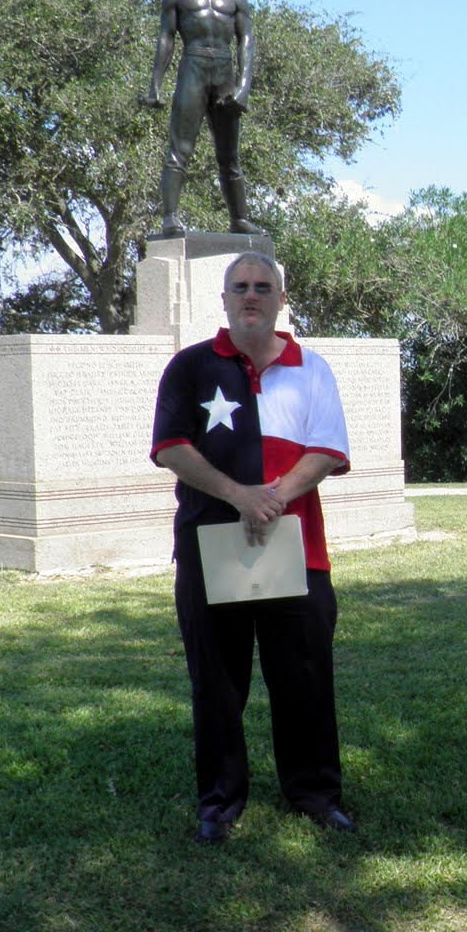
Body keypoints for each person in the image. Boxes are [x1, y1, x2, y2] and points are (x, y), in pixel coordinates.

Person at [151, 251, 352, 842]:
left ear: (281, 299)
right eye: (240, 286)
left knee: (306, 677)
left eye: (264, 286)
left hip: (298, 549)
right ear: (223, 299)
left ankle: (315, 793)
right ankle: (219, 802)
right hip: (211, 548)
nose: (251, 295)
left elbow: (327, 450)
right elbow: (170, 447)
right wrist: (240, 495)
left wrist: (271, 498)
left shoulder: (310, 368)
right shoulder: (190, 367)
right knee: (216, 679)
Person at [138, 0, 259, 236]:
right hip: (193, 66)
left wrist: (243, 88)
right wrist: (155, 84)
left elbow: (246, 41)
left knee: (229, 155)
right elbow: (166, 37)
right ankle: (170, 216)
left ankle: (239, 218)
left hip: (224, 71)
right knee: (180, 148)